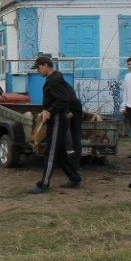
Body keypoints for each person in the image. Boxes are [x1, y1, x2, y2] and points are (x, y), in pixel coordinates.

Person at [29, 55, 83, 194]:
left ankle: (44, 184)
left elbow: (63, 101)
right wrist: (46, 110)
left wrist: (50, 111)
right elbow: (56, 100)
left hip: (58, 120)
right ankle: (74, 178)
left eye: (38, 68)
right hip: (57, 118)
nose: (38, 71)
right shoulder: (54, 79)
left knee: (51, 152)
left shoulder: (55, 80)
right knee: (59, 153)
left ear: (45, 65)